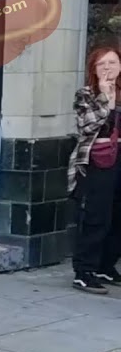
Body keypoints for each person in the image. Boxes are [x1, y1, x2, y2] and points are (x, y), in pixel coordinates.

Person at [68, 46, 121, 294]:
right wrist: (105, 98)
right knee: (96, 216)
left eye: (113, 62)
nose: (108, 68)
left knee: (117, 216)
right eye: (102, 64)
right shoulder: (86, 94)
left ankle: (105, 266)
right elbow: (87, 125)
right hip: (97, 161)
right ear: (93, 69)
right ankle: (84, 270)